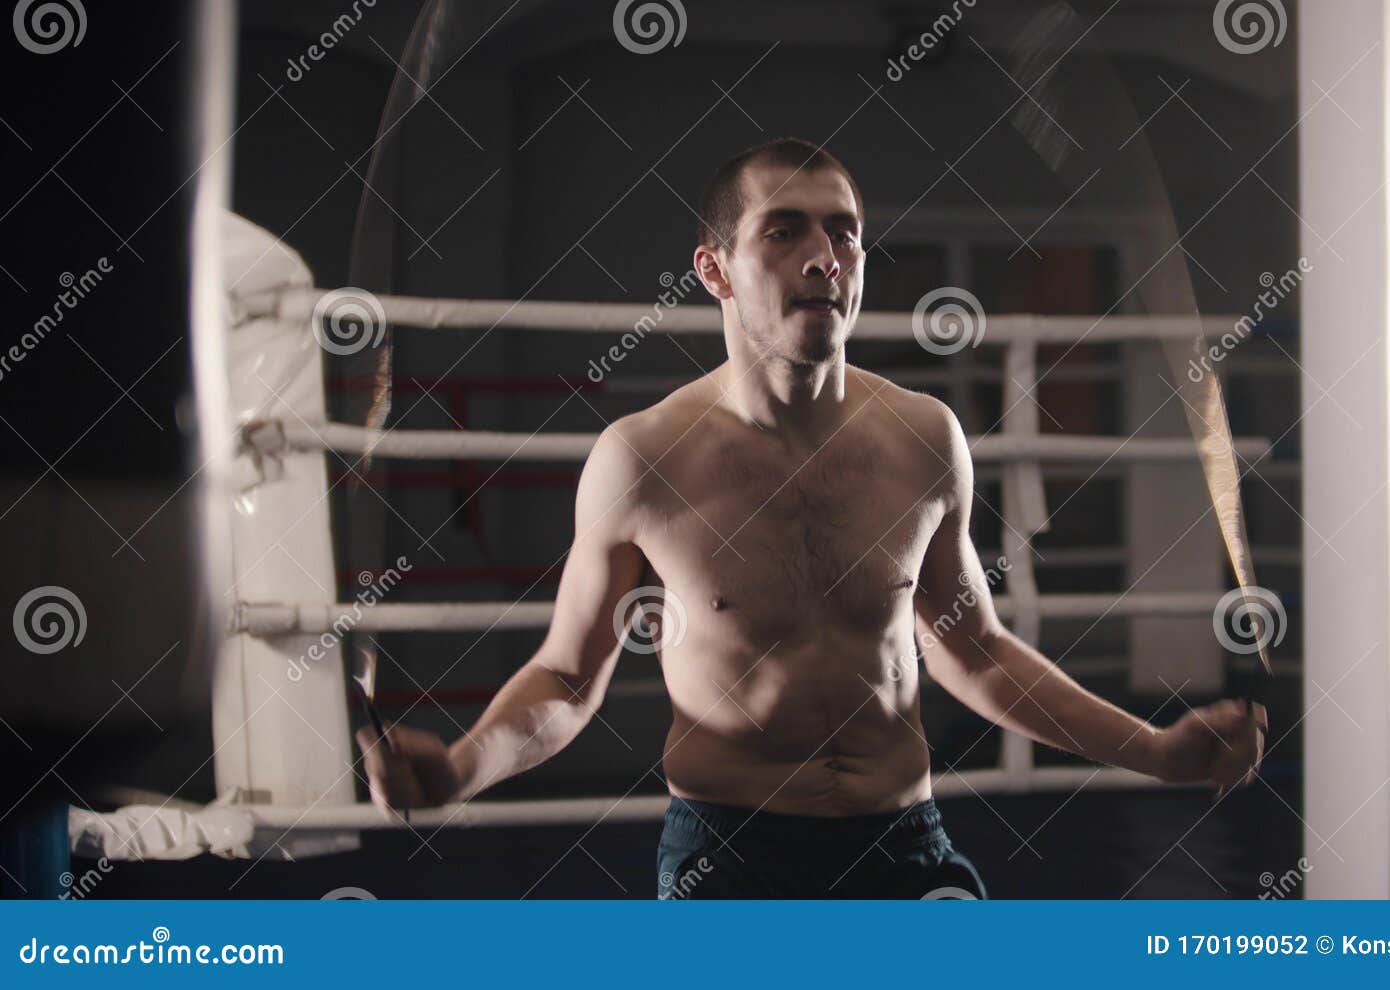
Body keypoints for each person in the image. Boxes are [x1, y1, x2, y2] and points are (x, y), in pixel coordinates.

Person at [356, 137, 1268, 899]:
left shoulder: (923, 436)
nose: (823, 256)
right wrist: (462, 768)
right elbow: (565, 675)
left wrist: (1154, 751)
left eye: (845, 233)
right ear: (714, 269)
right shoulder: (643, 459)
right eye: (784, 231)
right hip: (731, 856)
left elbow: (973, 648)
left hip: (906, 839)